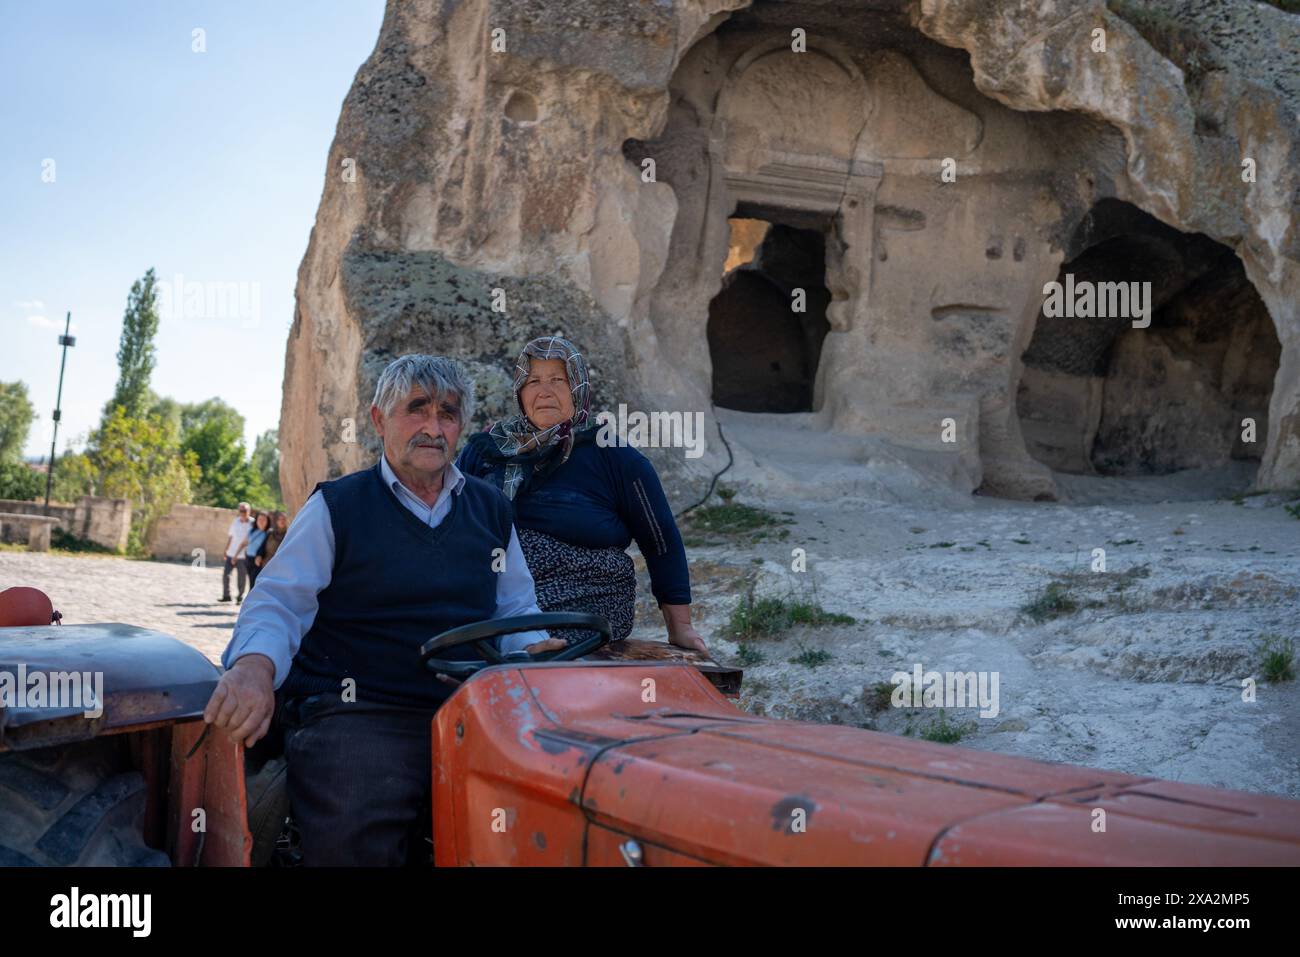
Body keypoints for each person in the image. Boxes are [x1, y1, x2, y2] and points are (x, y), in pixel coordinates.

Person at [204, 354, 565, 866]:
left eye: (447, 414)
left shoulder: (491, 510)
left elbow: (515, 609)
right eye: (416, 409)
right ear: (379, 420)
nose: (432, 428)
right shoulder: (338, 507)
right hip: (358, 710)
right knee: (357, 818)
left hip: (469, 706)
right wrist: (253, 669)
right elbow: (281, 602)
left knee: (550, 798)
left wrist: (531, 649)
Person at [458, 335, 706, 652]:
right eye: (533, 380)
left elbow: (661, 540)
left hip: (587, 593)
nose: (544, 391)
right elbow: (450, 520)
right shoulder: (486, 450)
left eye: (558, 380)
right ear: (520, 391)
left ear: (578, 387)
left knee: (504, 631)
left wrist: (680, 627)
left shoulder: (614, 456)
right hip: (497, 586)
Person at [220, 502, 252, 604]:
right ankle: (226, 595)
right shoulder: (235, 521)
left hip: (243, 555)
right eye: (241, 511)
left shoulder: (253, 523)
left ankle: (240, 596)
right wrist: (226, 549)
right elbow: (231, 537)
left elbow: (249, 541)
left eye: (244, 511)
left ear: (249, 511)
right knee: (226, 575)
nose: (242, 513)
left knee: (241, 577)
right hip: (231, 553)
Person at [244, 511, 271, 590]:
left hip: (259, 560)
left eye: (264, 520)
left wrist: (260, 556)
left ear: (267, 521)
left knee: (255, 582)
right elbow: (247, 543)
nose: (261, 522)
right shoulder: (252, 531)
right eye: (259, 519)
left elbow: (265, 547)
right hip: (249, 559)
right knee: (250, 581)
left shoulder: (269, 533)